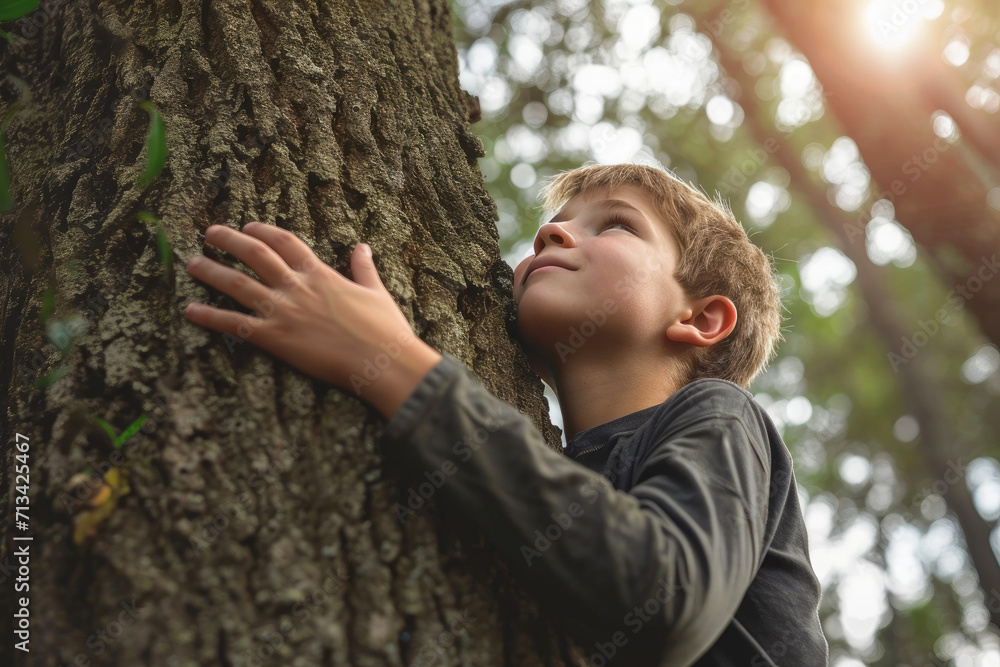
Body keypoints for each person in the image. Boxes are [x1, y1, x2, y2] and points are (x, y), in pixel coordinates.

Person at [183, 162, 829, 666]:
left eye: (616, 225)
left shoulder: (719, 414)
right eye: (557, 222)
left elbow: (661, 599)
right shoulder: (560, 467)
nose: (552, 231)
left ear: (700, 317)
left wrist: (393, 361)